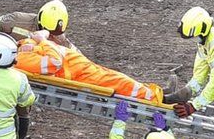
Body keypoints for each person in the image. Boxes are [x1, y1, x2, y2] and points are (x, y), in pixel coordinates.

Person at [14, 37, 163, 103]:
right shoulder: (19, 59)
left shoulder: (20, 48)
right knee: (118, 82)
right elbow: (55, 62)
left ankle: (155, 91)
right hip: (76, 74)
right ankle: (156, 97)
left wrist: (31, 43)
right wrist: (43, 40)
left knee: (117, 78)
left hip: (77, 66)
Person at [0, 0, 76, 49]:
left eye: (53, 33)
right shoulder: (17, 20)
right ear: (39, 22)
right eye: (47, 31)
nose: (49, 35)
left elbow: (75, 55)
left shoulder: (59, 37)